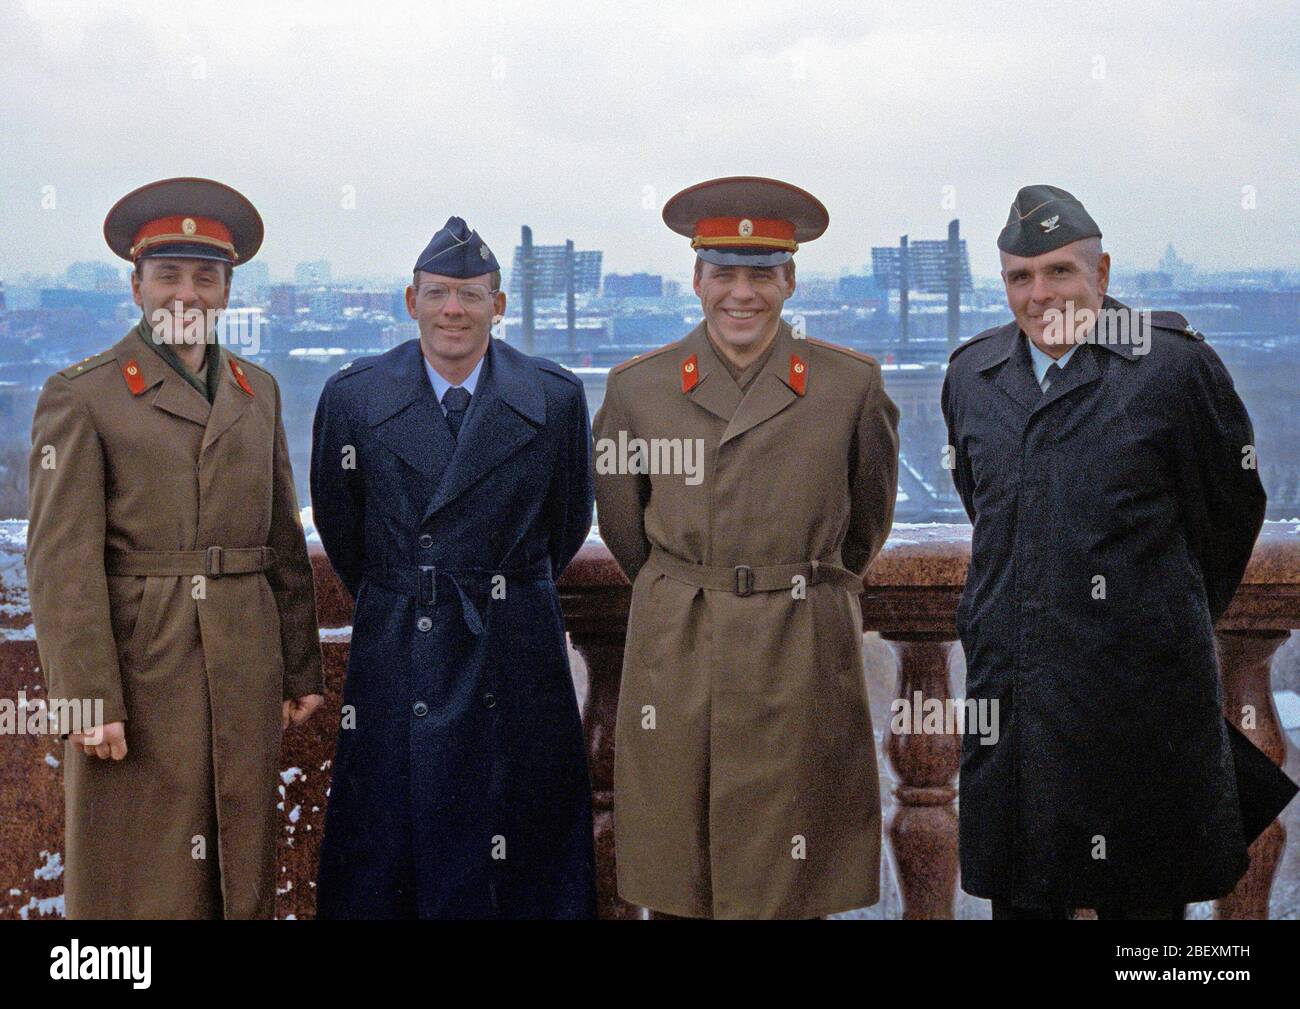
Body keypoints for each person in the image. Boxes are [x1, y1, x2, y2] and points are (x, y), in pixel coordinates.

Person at [941, 183, 1295, 919]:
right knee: (1024, 896)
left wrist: (1155, 615)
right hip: (1014, 706)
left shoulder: (1172, 369)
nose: (1041, 294)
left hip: (1139, 710)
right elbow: (995, 514)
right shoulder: (971, 376)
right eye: (1019, 276)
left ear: (1102, 273)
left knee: (1147, 922)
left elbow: (1230, 512)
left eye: (1061, 271)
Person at [593, 177, 900, 918]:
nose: (742, 293)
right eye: (724, 273)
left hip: (800, 647)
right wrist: (694, 588)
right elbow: (624, 528)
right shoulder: (639, 389)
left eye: (761, 274)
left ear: (789, 280)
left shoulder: (848, 386)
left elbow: (865, 525)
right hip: (681, 649)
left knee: (794, 879)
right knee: (681, 872)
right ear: (696, 279)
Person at [26, 177, 324, 919]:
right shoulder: (83, 394)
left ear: (225, 289)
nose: (185, 292)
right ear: (135, 286)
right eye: (168, 274)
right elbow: (61, 563)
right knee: (142, 879)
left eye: (205, 275)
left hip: (245, 665)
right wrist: (88, 697)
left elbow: (281, 536)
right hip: (143, 665)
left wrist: (298, 661)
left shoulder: (257, 389)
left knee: (239, 873)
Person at [311, 216, 596, 918]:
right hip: (399, 649)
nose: (453, 311)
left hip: (515, 650)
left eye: (471, 295)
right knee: (390, 847)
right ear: (411, 303)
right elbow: (343, 532)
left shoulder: (554, 399)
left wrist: (498, 587)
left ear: (498, 306)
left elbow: (566, 524)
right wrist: (415, 591)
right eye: (437, 294)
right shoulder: (353, 398)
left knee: (520, 846)